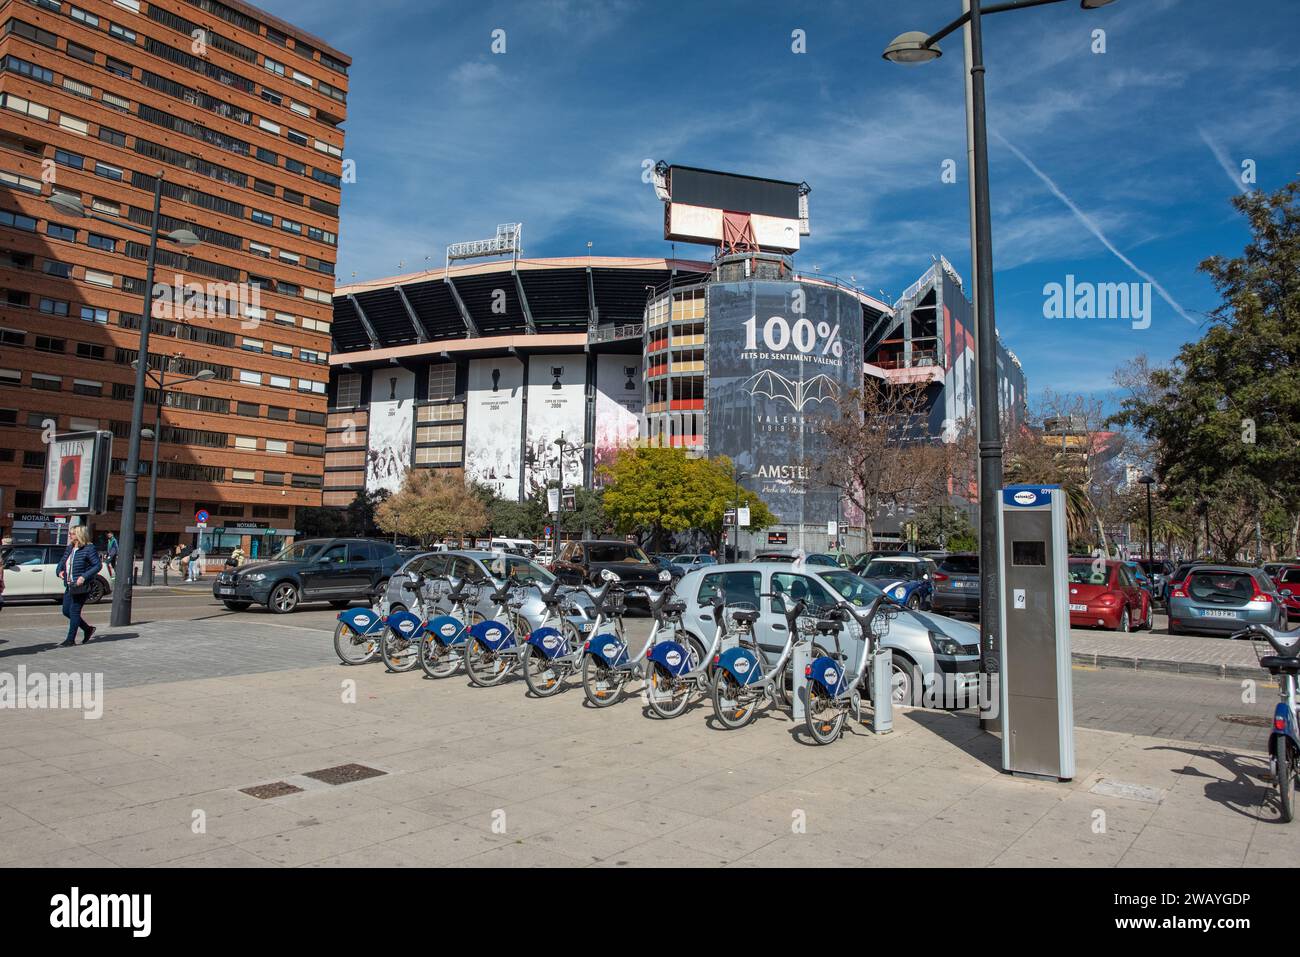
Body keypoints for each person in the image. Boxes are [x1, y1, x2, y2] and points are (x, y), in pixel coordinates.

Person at [57, 526, 100, 646]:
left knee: (74, 611)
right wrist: (59, 571)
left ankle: (70, 639)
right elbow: (62, 562)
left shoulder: (89, 548)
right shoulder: (70, 547)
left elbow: (97, 565)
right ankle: (87, 629)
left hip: (81, 586)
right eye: (70, 533)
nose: (70, 535)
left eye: (72, 534)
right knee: (66, 611)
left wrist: (83, 577)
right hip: (69, 584)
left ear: (79, 535)